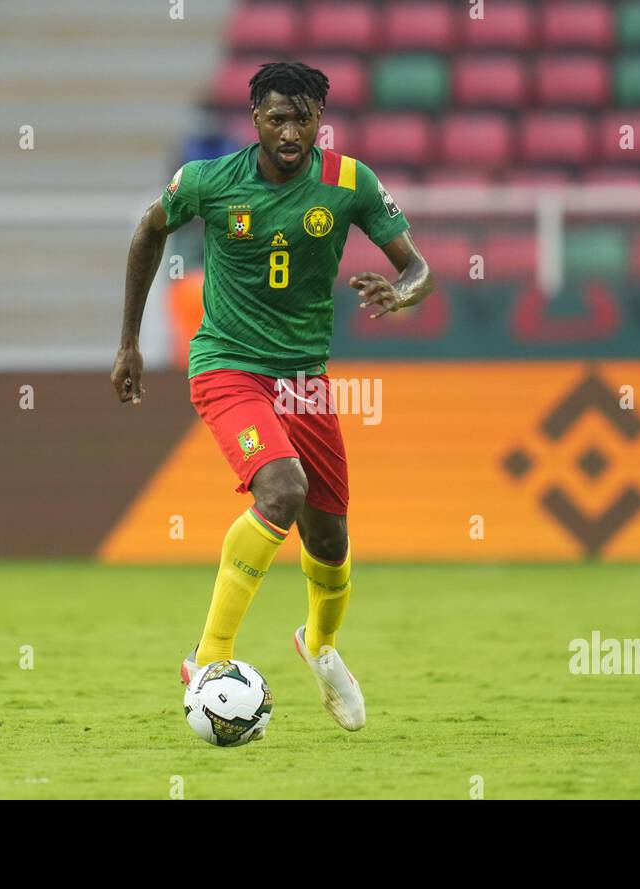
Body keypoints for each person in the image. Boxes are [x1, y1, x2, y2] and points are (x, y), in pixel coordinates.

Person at [111, 61, 434, 734]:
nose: (291, 131)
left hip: (304, 381)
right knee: (281, 490)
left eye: (304, 118)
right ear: (255, 118)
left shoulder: (350, 182)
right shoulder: (209, 181)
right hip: (228, 365)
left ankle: (317, 646)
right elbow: (148, 231)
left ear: (321, 120)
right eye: (277, 118)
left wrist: (402, 292)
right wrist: (129, 343)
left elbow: (418, 266)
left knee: (331, 537)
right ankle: (209, 655)